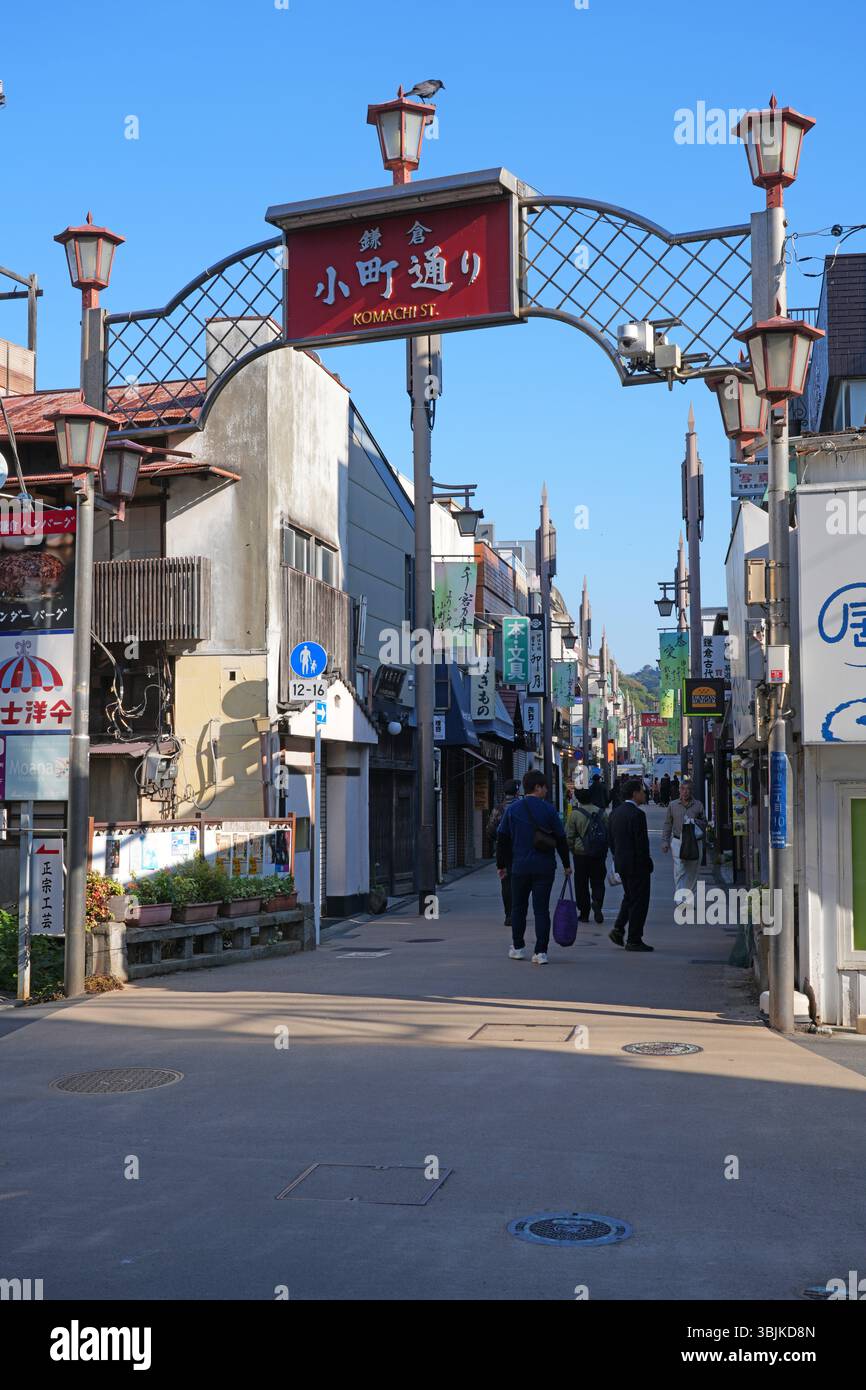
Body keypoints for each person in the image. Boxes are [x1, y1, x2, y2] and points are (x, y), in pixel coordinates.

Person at [496, 769, 571, 965]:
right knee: (541, 910)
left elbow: (502, 838)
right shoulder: (549, 810)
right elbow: (561, 839)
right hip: (544, 867)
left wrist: (501, 865)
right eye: (545, 787)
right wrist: (566, 864)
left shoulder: (513, 809)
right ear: (537, 788)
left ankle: (518, 948)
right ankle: (541, 952)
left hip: (519, 867)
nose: (546, 790)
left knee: (518, 908)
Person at [607, 779, 654, 952]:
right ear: (634, 793)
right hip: (637, 865)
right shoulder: (637, 815)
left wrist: (617, 857)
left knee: (630, 897)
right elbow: (641, 844)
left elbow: (610, 840)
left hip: (622, 863)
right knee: (639, 902)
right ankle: (634, 938)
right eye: (642, 791)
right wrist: (647, 863)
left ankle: (619, 929)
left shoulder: (615, 813)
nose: (644, 793)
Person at [566, 787, 609, 923]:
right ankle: (597, 902)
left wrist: (572, 849)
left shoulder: (574, 814)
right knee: (598, 881)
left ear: (578, 798)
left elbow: (569, 836)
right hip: (598, 853)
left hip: (581, 854)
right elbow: (607, 832)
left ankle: (584, 913)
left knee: (581, 883)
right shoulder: (601, 812)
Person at [661, 776, 707, 898]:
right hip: (678, 841)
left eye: (688, 789)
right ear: (679, 790)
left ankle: (689, 898)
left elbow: (704, 822)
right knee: (679, 870)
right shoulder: (673, 805)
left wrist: (695, 822)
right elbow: (667, 824)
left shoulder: (698, 805)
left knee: (693, 872)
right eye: (683, 789)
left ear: (691, 791)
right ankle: (680, 899)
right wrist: (665, 841)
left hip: (695, 841)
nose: (685, 792)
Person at [487, 780, 521, 925]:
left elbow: (489, 829)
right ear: (517, 792)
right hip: (520, 849)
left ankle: (509, 914)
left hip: (503, 850)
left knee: (506, 883)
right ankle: (518, 912)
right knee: (520, 882)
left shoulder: (498, 809)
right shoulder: (522, 807)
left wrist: (498, 840)